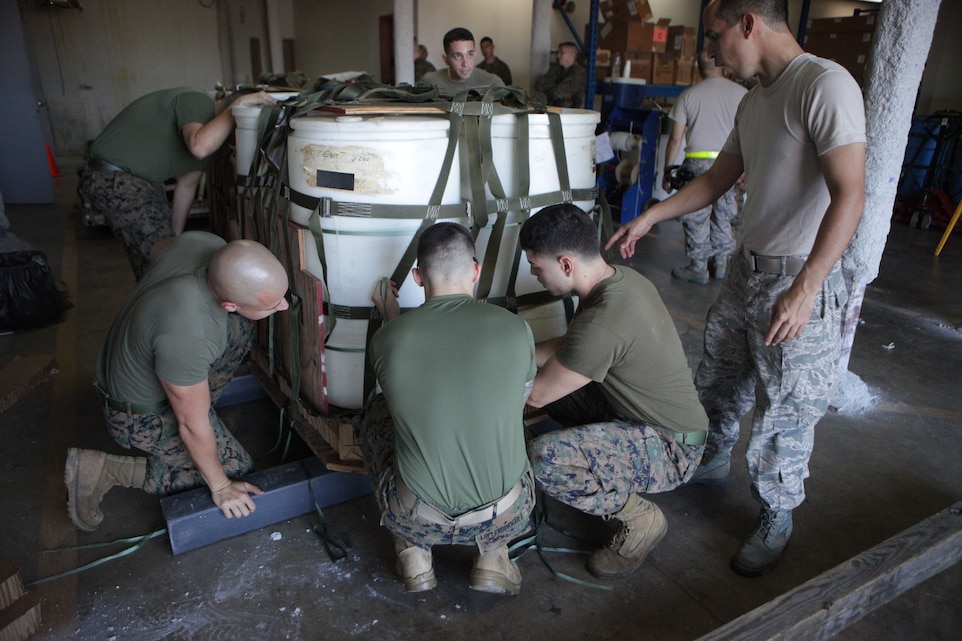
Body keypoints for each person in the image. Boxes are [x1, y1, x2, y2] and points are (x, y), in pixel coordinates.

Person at [607, 0, 866, 577]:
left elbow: (851, 194)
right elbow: (718, 179)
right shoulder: (755, 100)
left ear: (749, 24)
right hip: (746, 272)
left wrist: (806, 288)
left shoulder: (824, 86)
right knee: (719, 376)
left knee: (787, 406)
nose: (711, 49)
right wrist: (651, 217)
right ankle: (712, 459)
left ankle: (777, 509)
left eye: (716, 34)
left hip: (797, 275)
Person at [521, 204, 709, 579]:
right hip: (637, 413)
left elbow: (536, 395)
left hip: (673, 447)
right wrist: (517, 349)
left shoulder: (604, 320)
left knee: (544, 457)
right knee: (550, 383)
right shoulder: (618, 280)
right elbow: (572, 346)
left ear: (566, 264)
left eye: (536, 266)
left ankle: (640, 520)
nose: (533, 273)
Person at [354, 222, 536, 595]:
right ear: (476, 270)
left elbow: (404, 395)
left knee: (374, 415)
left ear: (418, 278)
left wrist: (391, 317)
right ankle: (493, 555)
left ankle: (413, 552)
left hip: (418, 514)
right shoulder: (518, 329)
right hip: (504, 512)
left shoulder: (388, 339)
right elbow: (515, 402)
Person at [65, 231, 290, 532]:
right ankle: (106, 470)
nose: (284, 306)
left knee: (239, 332)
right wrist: (221, 485)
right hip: (136, 414)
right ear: (228, 304)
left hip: (143, 358)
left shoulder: (205, 243)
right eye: (272, 304)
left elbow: (158, 248)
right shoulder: (189, 334)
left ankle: (194, 399)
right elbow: (190, 425)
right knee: (234, 469)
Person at [79, 87, 277, 279]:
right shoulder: (197, 101)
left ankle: (156, 305)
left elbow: (187, 185)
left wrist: (175, 237)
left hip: (142, 182)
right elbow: (199, 147)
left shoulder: (213, 141)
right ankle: (162, 307)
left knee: (158, 258)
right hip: (116, 178)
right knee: (163, 261)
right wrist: (238, 106)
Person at [662, 49, 747, 284]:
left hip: (697, 164)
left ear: (699, 69)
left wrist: (669, 170)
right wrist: (748, 166)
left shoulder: (688, 96)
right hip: (732, 162)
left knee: (696, 216)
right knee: (725, 214)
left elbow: (675, 139)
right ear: (723, 65)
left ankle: (698, 267)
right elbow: (754, 134)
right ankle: (721, 264)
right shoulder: (743, 94)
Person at [420, 28, 505, 97]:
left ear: (475, 55)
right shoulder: (429, 82)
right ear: (446, 59)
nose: (465, 63)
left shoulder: (493, 83)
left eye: (470, 54)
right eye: (458, 56)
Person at [533, 42, 587, 108]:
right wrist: (555, 87)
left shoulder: (579, 73)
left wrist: (550, 86)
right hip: (552, 111)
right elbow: (539, 85)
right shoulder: (556, 70)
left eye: (561, 52)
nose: (558, 55)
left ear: (571, 54)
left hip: (570, 114)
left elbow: (557, 93)